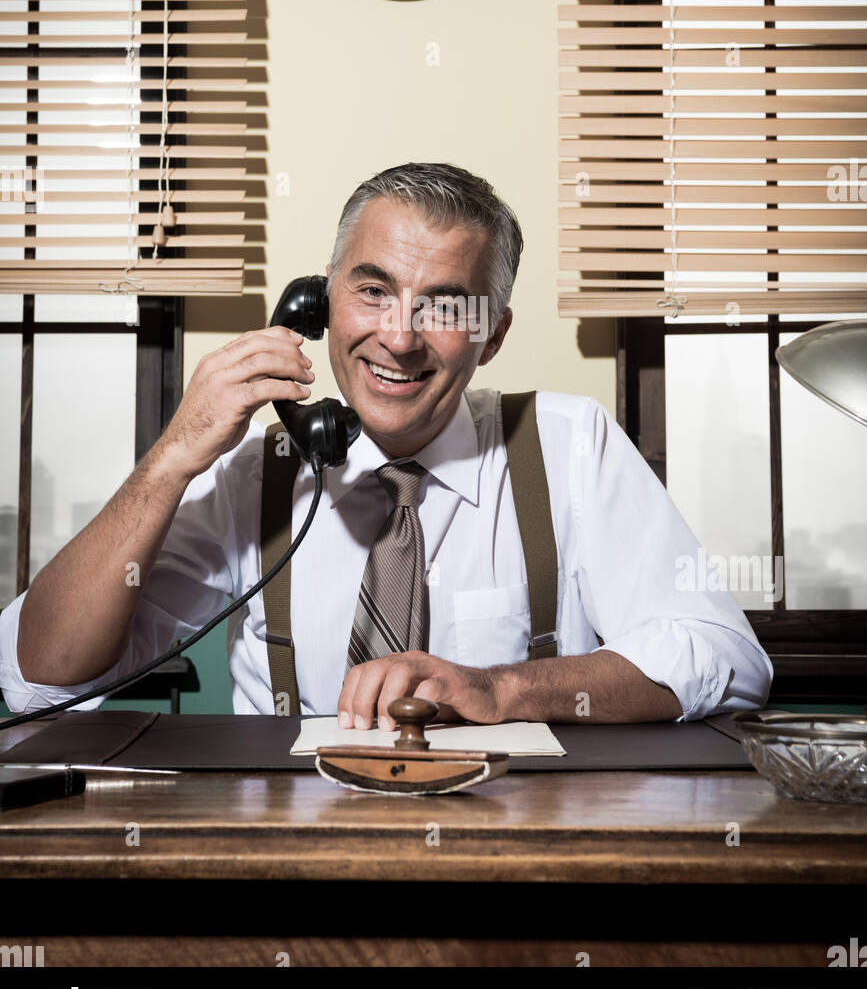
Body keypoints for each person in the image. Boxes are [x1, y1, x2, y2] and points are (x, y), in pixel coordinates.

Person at [0, 162, 772, 728]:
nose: (397, 339)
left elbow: (726, 658)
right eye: (371, 292)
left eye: (442, 306)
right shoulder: (255, 477)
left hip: (516, 858)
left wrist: (503, 690)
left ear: (490, 336)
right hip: (285, 859)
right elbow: (39, 677)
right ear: (319, 301)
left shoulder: (570, 446)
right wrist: (170, 459)